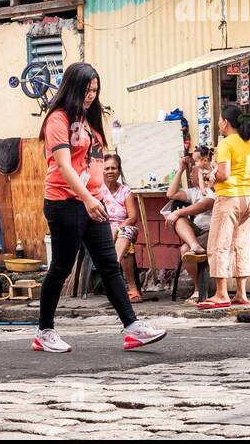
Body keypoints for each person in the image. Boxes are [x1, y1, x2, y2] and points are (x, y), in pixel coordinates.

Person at [32, 62, 166, 353]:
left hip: (94, 203)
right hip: (64, 203)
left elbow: (93, 165)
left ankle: (132, 328)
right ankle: (44, 331)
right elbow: (64, 166)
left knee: (109, 265)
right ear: (73, 87)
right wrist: (88, 199)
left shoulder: (90, 121)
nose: (91, 95)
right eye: (86, 89)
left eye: (95, 90)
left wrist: (98, 197)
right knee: (61, 267)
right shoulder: (57, 120)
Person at [199, 104, 250, 310]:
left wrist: (209, 176)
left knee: (218, 244)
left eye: (219, 120)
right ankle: (241, 293)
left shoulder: (225, 144)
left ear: (225, 122)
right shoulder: (248, 142)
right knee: (241, 243)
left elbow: (224, 174)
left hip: (229, 199)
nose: (219, 123)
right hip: (247, 198)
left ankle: (221, 293)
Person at [163, 147, 216, 304]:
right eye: (191, 171)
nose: (193, 174)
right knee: (180, 226)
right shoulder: (194, 192)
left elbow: (204, 206)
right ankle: (199, 287)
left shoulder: (213, 189)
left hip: (213, 232)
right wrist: (180, 170)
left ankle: (199, 289)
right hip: (197, 234)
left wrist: (179, 212)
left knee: (184, 247)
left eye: (195, 170)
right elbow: (170, 194)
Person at [100, 153, 143, 303]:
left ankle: (114, 265)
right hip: (102, 228)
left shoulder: (125, 191)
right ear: (102, 170)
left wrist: (119, 228)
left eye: (114, 168)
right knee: (127, 247)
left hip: (124, 227)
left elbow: (132, 217)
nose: (110, 171)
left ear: (119, 171)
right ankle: (132, 289)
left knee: (125, 234)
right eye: (107, 168)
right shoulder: (96, 190)